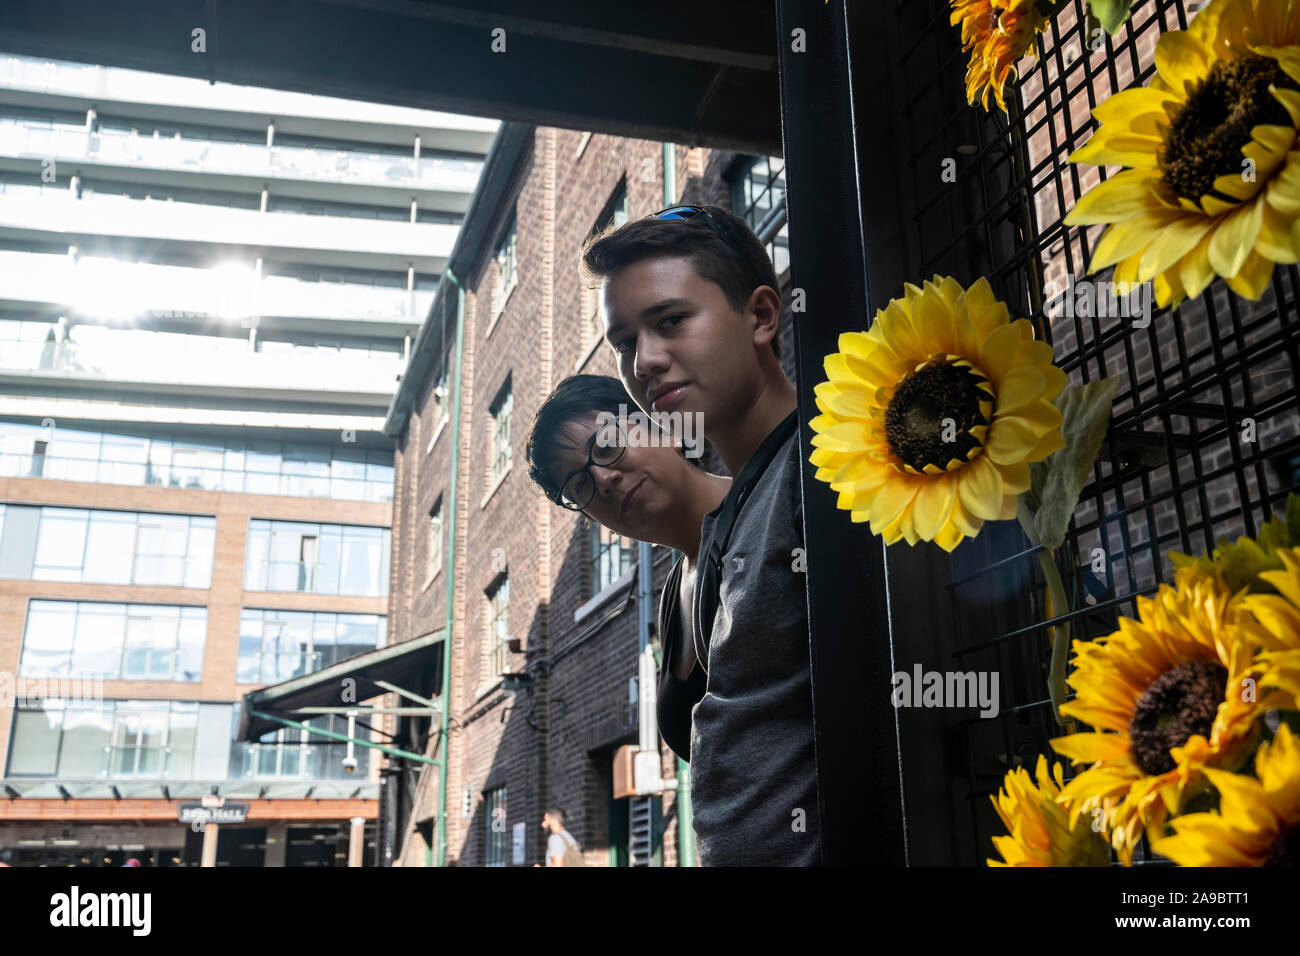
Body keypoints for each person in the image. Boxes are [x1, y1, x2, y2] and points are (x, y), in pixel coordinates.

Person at [581, 202, 821, 866]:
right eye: (625, 343)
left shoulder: (829, 466)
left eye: (671, 321)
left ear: (762, 316)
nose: (646, 361)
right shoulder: (733, 516)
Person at [525, 373, 729, 763]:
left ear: (663, 426)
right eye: (578, 486)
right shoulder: (673, 595)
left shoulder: (773, 506)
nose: (602, 480)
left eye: (607, 445)